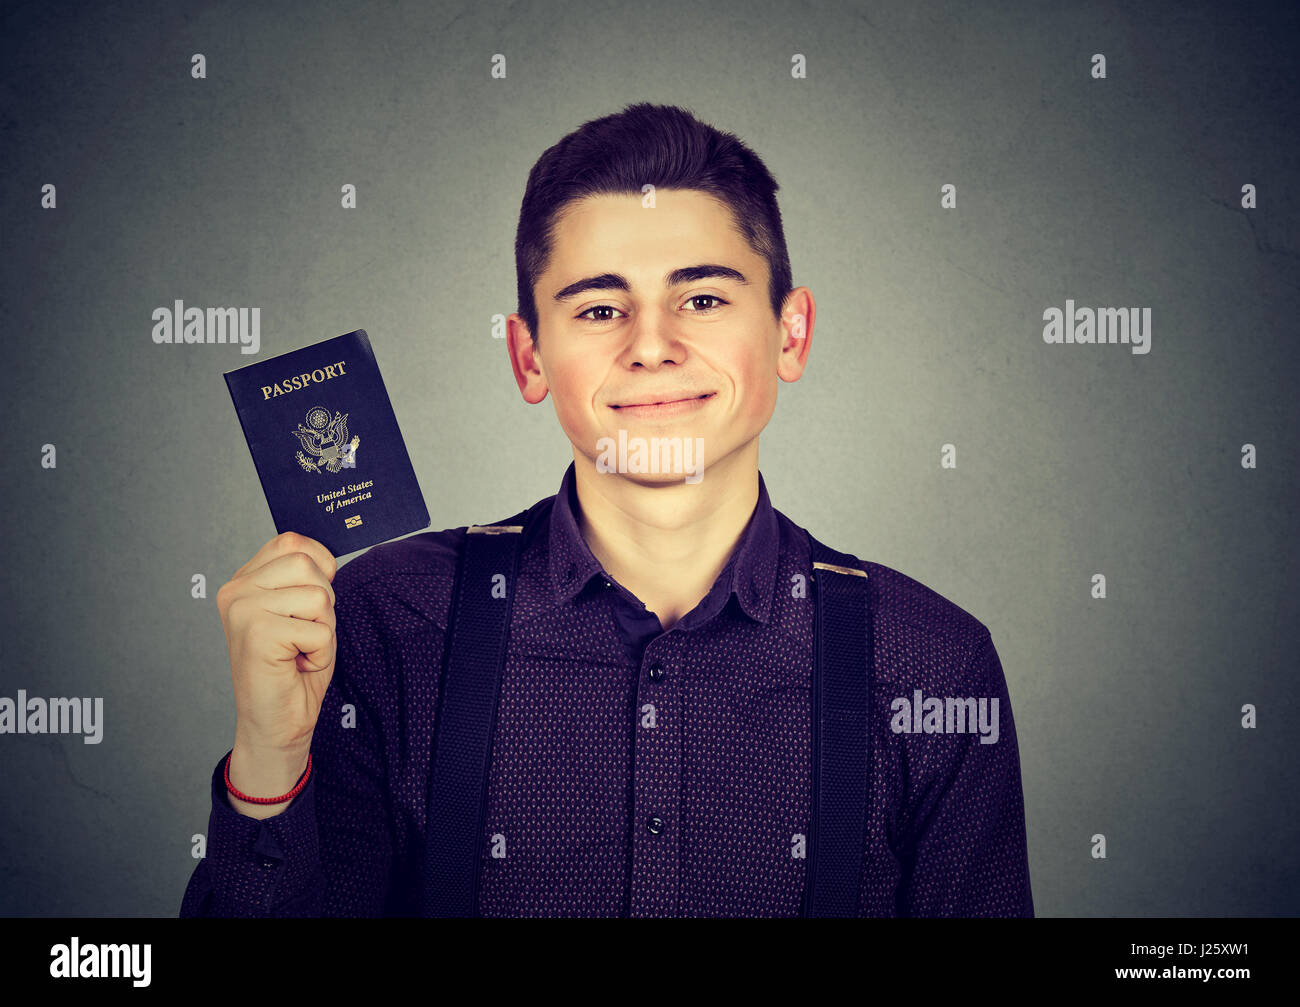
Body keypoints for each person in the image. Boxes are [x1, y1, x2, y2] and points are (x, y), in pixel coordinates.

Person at [181, 102, 1034, 917]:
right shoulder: (380, 624)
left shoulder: (933, 665)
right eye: (598, 307)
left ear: (791, 334)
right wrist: (269, 765)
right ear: (529, 358)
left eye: (702, 298)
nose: (652, 344)